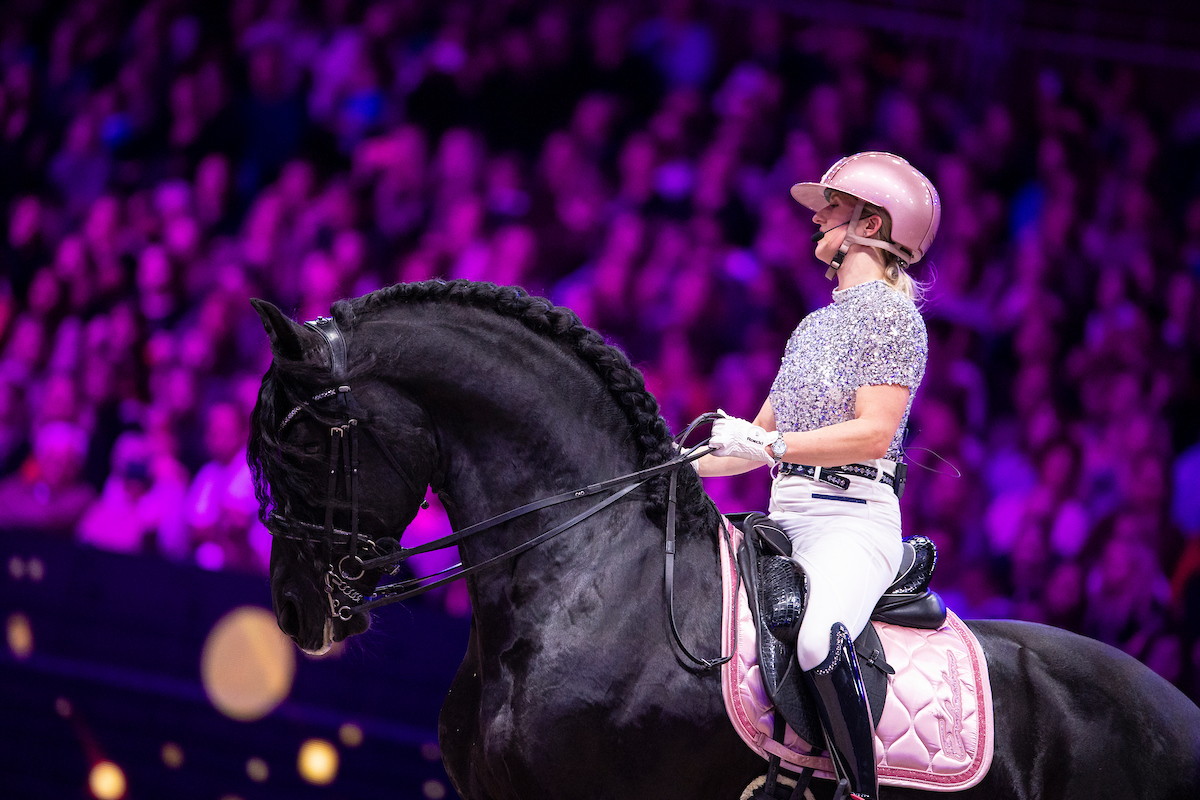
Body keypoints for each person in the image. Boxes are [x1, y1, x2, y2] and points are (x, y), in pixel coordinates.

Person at [696, 151, 940, 800]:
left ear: (870, 222)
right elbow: (753, 443)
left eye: (831, 206)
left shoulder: (892, 319)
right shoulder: (811, 328)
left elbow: (875, 432)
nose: (819, 218)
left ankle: (860, 792)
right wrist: (669, 463)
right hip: (785, 518)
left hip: (851, 523)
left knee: (816, 638)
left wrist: (771, 444)